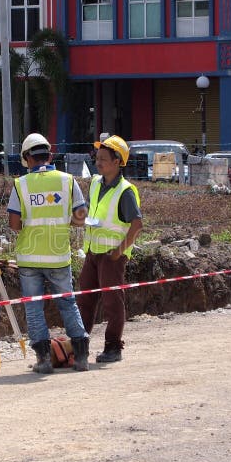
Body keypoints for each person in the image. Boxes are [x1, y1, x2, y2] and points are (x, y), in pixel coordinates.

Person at [8, 133, 90, 373]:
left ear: (26, 158)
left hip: (29, 258)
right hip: (58, 256)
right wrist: (63, 221)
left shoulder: (20, 184)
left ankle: (44, 361)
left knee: (34, 309)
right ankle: (82, 358)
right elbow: (81, 216)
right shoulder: (67, 181)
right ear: (50, 155)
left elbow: (14, 224)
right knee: (68, 304)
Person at [78, 134, 143, 363]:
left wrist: (119, 250)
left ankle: (113, 347)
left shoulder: (125, 191)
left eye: (104, 158)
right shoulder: (96, 183)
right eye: (98, 158)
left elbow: (137, 224)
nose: (98, 162)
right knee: (85, 299)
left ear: (117, 162)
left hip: (111, 256)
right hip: (93, 252)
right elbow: (91, 211)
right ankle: (80, 345)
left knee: (112, 301)